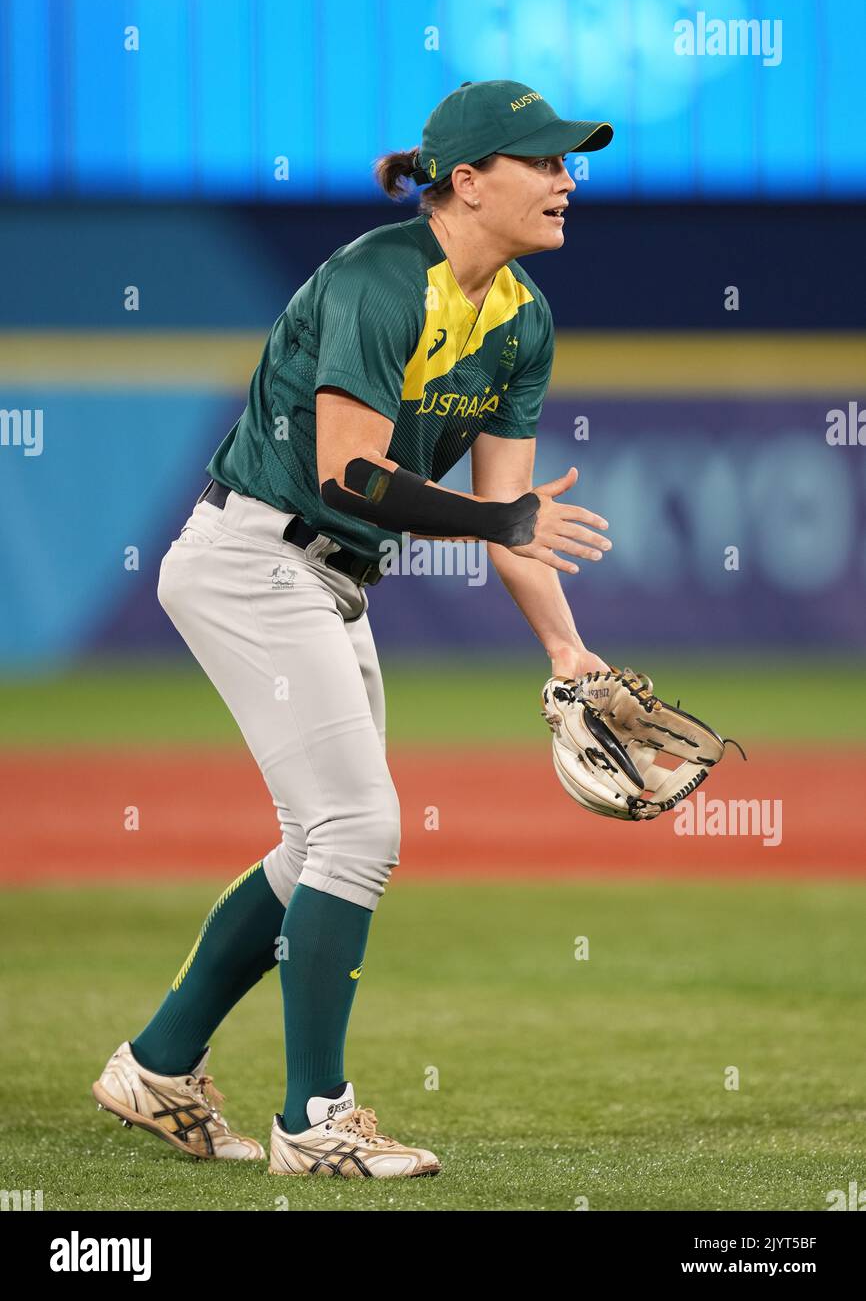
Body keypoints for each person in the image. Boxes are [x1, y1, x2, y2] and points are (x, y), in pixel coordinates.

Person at [92, 79, 614, 1180]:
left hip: (329, 578)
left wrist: (567, 651)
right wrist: (495, 515)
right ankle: (313, 1119)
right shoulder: (382, 278)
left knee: (313, 842)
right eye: (545, 160)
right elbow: (351, 470)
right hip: (252, 558)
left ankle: (156, 1063)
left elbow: (512, 523)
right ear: (465, 181)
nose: (568, 178)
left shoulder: (520, 317)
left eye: (571, 160)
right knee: (358, 831)